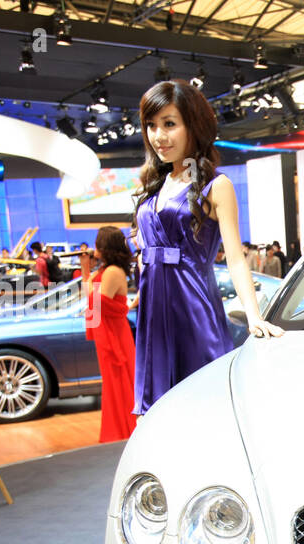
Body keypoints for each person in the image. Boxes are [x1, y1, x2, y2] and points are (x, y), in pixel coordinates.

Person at [130, 79, 281, 416]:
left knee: (203, 405)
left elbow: (236, 259)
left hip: (192, 306)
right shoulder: (154, 187)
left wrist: (254, 315)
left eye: (170, 124)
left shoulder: (216, 186)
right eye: (152, 126)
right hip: (154, 313)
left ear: (192, 126)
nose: (159, 136)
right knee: (159, 412)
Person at [82, 226, 137, 443]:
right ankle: (119, 431)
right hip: (109, 333)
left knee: (119, 381)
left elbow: (98, 302)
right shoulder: (106, 271)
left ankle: (123, 431)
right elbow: (92, 297)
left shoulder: (113, 272)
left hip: (114, 335)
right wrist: (87, 271)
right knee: (114, 382)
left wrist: (89, 276)